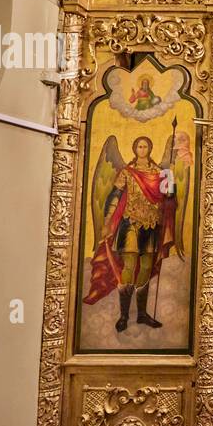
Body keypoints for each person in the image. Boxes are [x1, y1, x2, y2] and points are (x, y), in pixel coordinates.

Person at [84, 136, 177, 332]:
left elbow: (169, 196)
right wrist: (107, 221)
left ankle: (142, 314)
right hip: (130, 224)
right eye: (139, 146)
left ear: (150, 149)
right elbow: (114, 196)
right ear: (135, 149)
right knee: (129, 265)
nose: (142, 149)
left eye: (145, 146)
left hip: (152, 225)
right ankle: (124, 315)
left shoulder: (159, 173)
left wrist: (171, 180)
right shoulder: (127, 172)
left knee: (145, 267)